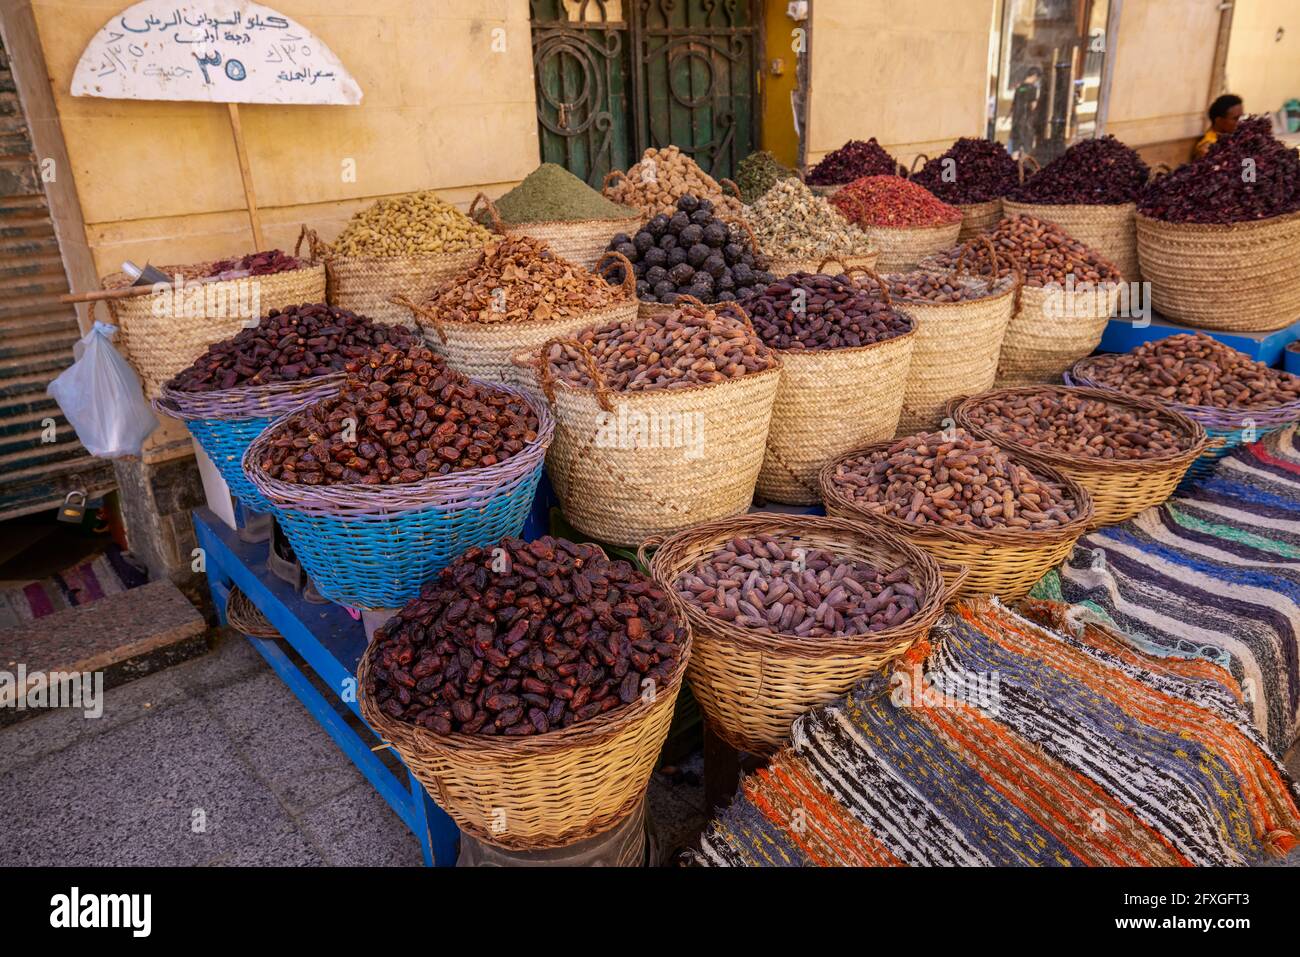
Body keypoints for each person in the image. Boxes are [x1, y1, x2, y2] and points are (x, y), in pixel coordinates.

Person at [1194, 94, 1243, 158]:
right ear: (1219, 120)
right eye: (1235, 118)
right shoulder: (1208, 147)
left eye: (1241, 117)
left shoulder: (1233, 136)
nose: (1241, 122)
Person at [1009, 67, 1042, 158]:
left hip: (1016, 122)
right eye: (1037, 78)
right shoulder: (1032, 88)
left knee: (1015, 149)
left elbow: (1013, 106)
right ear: (1035, 76)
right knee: (1027, 149)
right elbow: (1033, 106)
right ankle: (1024, 169)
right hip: (1027, 123)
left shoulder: (1019, 88)